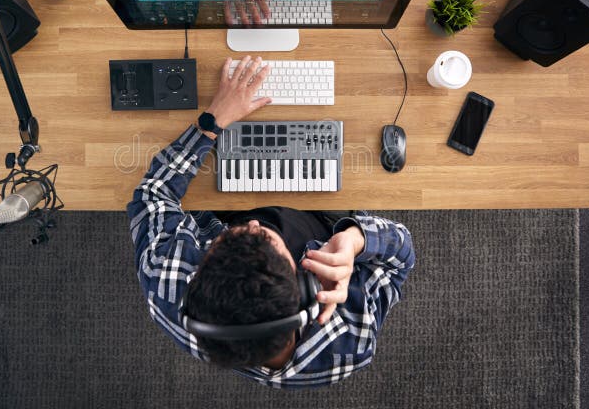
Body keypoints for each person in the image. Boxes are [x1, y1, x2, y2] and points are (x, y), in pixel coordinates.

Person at [127, 55, 415, 388]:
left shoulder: (167, 288)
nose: (250, 225)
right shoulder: (353, 342)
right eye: (263, 238)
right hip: (320, 223)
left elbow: (152, 195)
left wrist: (211, 121)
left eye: (229, 240)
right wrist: (355, 240)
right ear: (307, 289)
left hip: (224, 205)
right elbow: (401, 259)